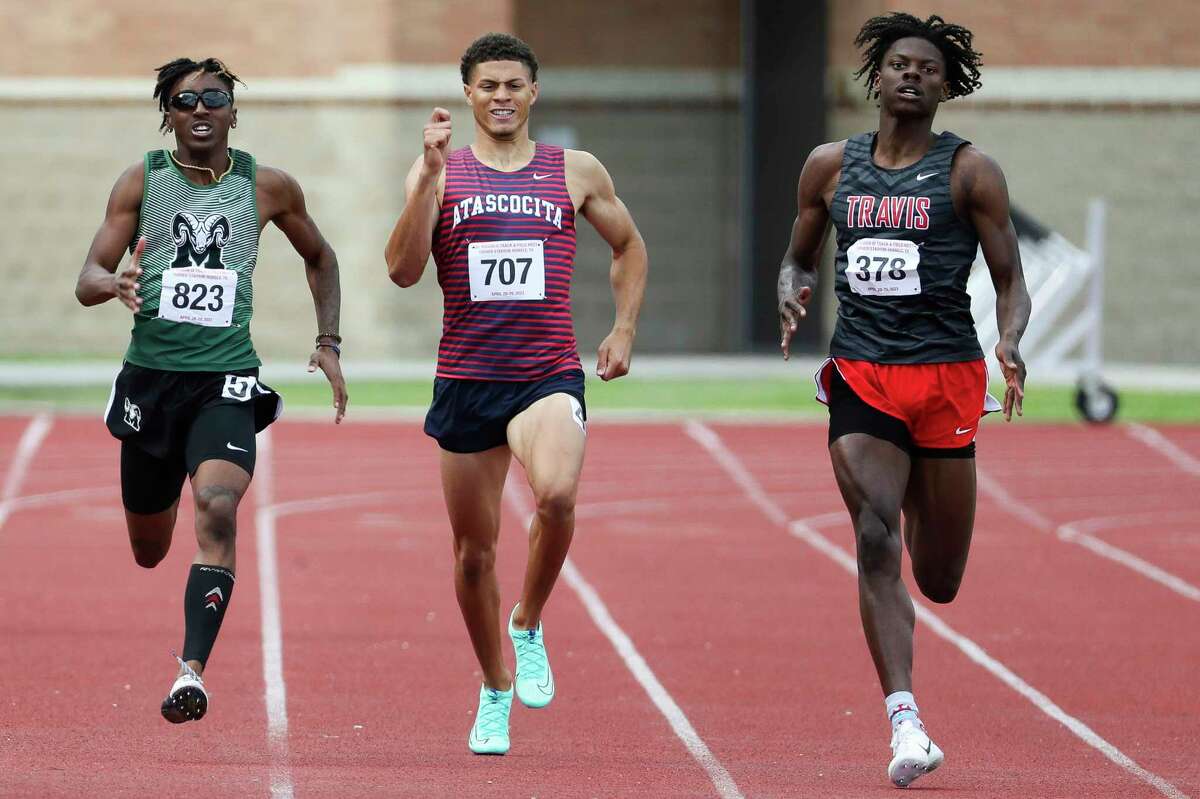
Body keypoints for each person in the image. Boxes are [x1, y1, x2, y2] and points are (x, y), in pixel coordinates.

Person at [776, 13, 1031, 788]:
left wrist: (1010, 343)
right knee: (875, 535)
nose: (912, 74)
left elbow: (1011, 279)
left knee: (941, 577)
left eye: (927, 67)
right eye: (898, 64)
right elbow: (796, 256)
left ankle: (922, 490)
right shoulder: (829, 166)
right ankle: (905, 719)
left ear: (945, 85)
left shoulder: (971, 173)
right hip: (863, 373)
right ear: (876, 79)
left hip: (946, 378)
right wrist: (793, 291)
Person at [384, 33, 647, 755]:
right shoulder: (440, 170)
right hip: (468, 380)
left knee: (557, 495)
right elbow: (403, 270)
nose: (501, 96)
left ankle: (527, 621)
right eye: (487, 85)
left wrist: (622, 328)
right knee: (474, 555)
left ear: (534, 93)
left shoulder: (575, 170)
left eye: (513, 85)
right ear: (467, 94)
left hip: (545, 371)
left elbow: (629, 246)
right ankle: (495, 685)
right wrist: (430, 178)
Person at [75, 57, 347, 723]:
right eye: (185, 100)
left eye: (213, 99)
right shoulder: (142, 179)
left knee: (219, 505)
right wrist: (117, 284)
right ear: (167, 114)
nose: (201, 110)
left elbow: (321, 257)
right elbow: (87, 276)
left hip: (227, 379)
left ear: (233, 110)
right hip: (151, 384)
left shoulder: (269, 187)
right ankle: (163, 491)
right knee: (150, 548)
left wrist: (328, 341)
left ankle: (190, 672)